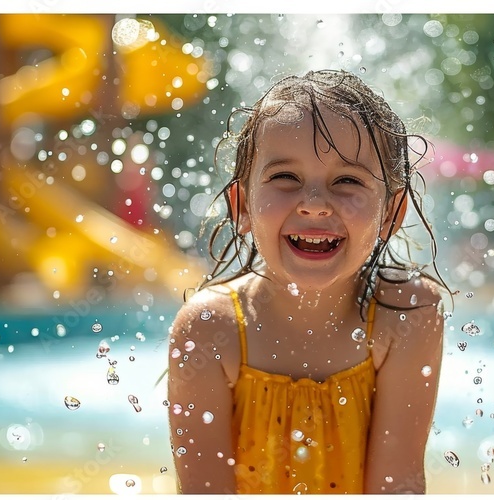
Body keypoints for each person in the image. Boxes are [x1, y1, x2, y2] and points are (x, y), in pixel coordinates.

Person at [166, 70, 449, 494]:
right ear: (241, 205)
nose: (315, 205)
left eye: (347, 181)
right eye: (285, 178)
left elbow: (397, 485)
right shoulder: (209, 331)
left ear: (391, 213)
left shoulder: (408, 315)